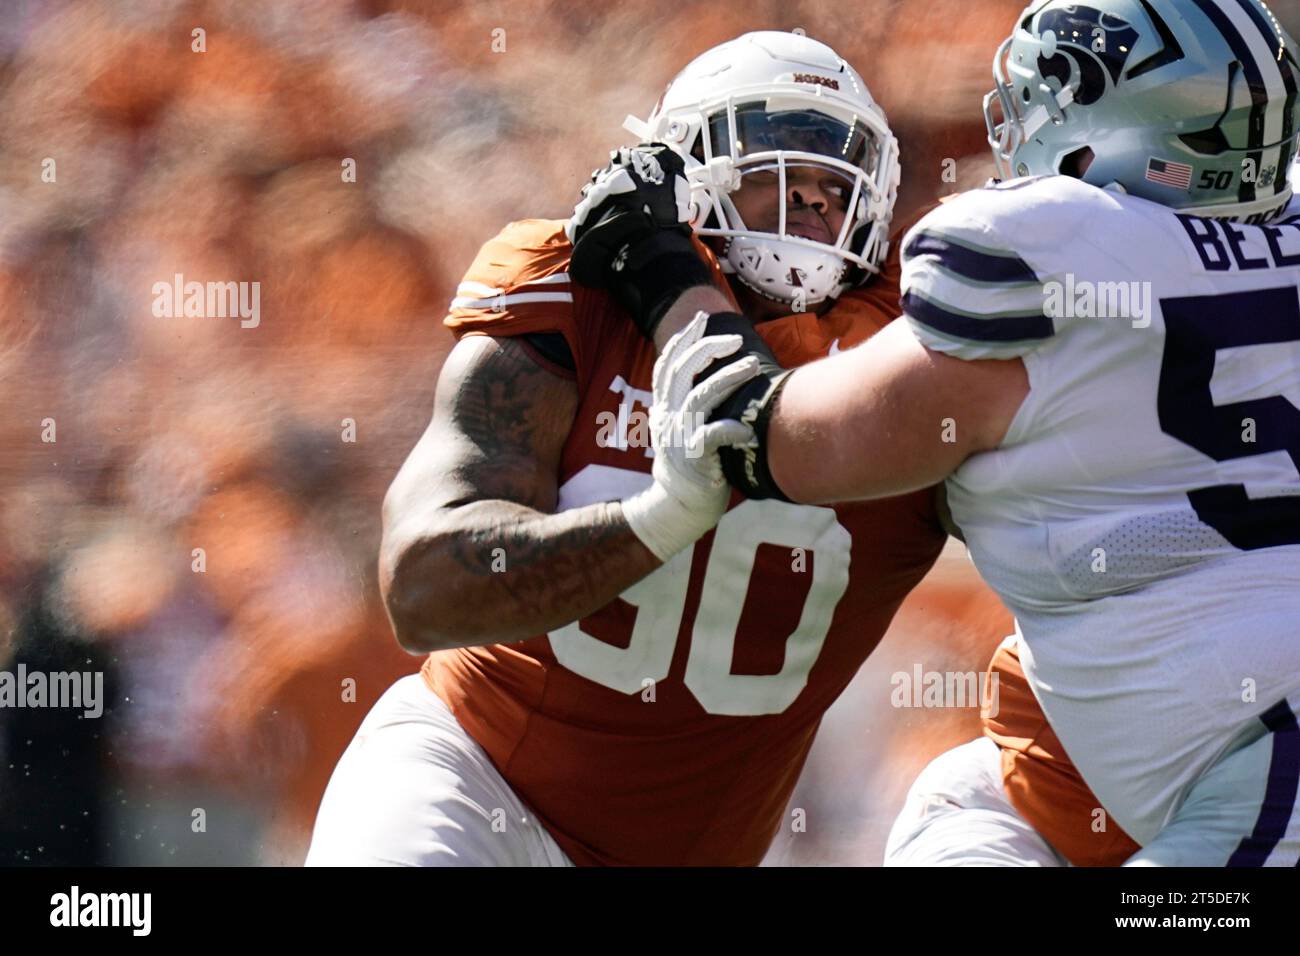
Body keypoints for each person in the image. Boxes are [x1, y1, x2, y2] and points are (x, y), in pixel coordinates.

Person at [637, 1, 1300, 866]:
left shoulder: (1048, 253)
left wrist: (664, 275)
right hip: (1187, 735)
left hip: (1257, 766)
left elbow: (781, 439)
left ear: (1105, 129)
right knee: (957, 811)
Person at [305, 30, 986, 867]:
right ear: (684, 171)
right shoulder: (575, 295)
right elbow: (424, 589)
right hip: (476, 780)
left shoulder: (909, 345)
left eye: (832, 168)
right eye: (782, 157)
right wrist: (656, 522)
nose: (812, 194)